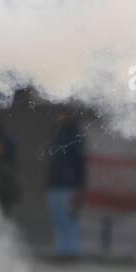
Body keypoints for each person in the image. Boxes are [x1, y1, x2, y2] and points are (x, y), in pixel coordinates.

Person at [44, 110, 86, 260]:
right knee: (58, 218)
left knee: (69, 218)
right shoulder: (57, 134)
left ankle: (71, 251)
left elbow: (80, 163)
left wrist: (78, 185)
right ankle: (62, 250)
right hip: (55, 183)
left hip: (68, 184)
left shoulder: (74, 136)